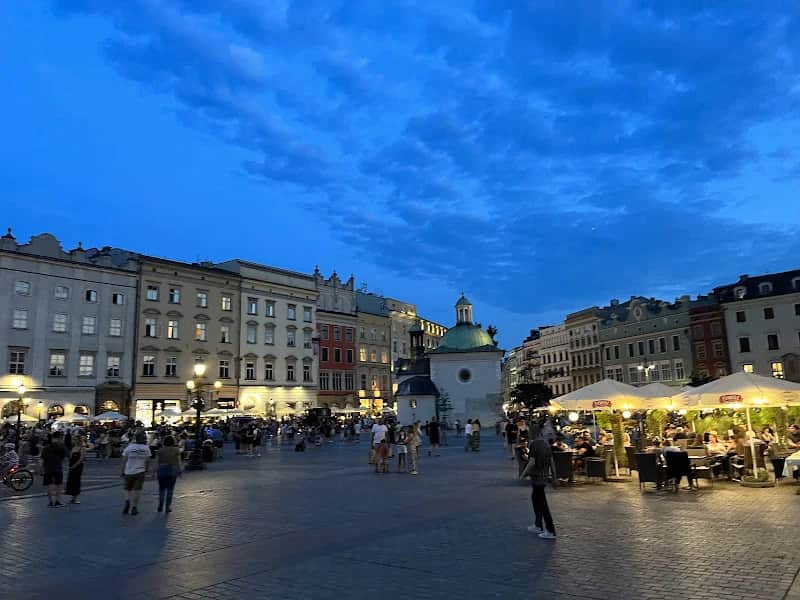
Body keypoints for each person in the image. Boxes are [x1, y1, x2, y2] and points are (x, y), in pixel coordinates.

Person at [521, 425, 557, 540]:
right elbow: (552, 462)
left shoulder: (534, 444)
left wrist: (523, 474)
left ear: (532, 433)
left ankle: (550, 530)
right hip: (544, 477)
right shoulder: (546, 444)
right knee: (536, 499)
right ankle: (538, 524)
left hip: (537, 477)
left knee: (542, 503)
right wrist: (554, 477)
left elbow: (532, 462)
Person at [121, 432, 150, 515]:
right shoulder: (146, 448)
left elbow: (124, 460)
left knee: (127, 489)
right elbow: (148, 460)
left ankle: (127, 501)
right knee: (137, 490)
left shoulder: (129, 447)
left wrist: (122, 471)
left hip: (129, 471)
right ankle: (134, 507)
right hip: (140, 471)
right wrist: (146, 469)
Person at [156, 435, 182, 513]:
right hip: (172, 470)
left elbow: (156, 461)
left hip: (162, 469)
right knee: (170, 489)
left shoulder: (160, 450)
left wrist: (155, 471)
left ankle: (160, 505)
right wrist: (179, 470)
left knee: (161, 489)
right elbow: (178, 461)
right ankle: (167, 507)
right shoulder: (176, 450)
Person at [41, 433, 67, 507]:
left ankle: (50, 502)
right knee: (58, 485)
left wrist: (42, 468)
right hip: (58, 467)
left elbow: (42, 459)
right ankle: (57, 501)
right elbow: (64, 458)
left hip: (47, 468)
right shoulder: (61, 447)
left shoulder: (46, 447)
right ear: (59, 438)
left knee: (48, 485)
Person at [65, 435, 86, 504]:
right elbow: (70, 457)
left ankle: (75, 497)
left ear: (79, 440)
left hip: (77, 466)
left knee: (76, 481)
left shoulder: (82, 448)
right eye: (74, 439)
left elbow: (81, 458)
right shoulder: (73, 447)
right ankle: (72, 497)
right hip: (72, 465)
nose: (74, 441)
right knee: (71, 480)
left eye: (76, 439)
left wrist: (74, 466)